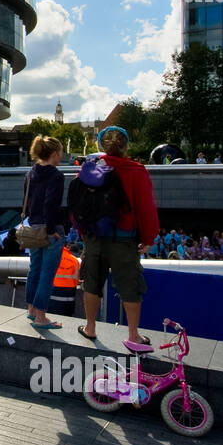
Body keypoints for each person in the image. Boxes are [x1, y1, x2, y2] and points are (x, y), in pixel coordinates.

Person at [75, 126, 160, 353]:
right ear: (126, 145)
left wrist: (82, 230)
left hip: (94, 237)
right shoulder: (136, 170)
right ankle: (133, 335)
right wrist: (149, 236)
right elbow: (145, 208)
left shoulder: (89, 167)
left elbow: (76, 203)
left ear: (102, 145)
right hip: (124, 239)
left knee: (91, 282)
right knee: (130, 286)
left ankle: (90, 327)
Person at [21, 135, 65, 330]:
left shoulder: (31, 173)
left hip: (33, 228)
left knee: (35, 270)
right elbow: (51, 204)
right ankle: (41, 317)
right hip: (49, 230)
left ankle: (31, 310)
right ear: (54, 154)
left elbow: (27, 201)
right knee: (47, 274)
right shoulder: (56, 176)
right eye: (61, 152)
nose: (61, 156)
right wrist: (51, 230)